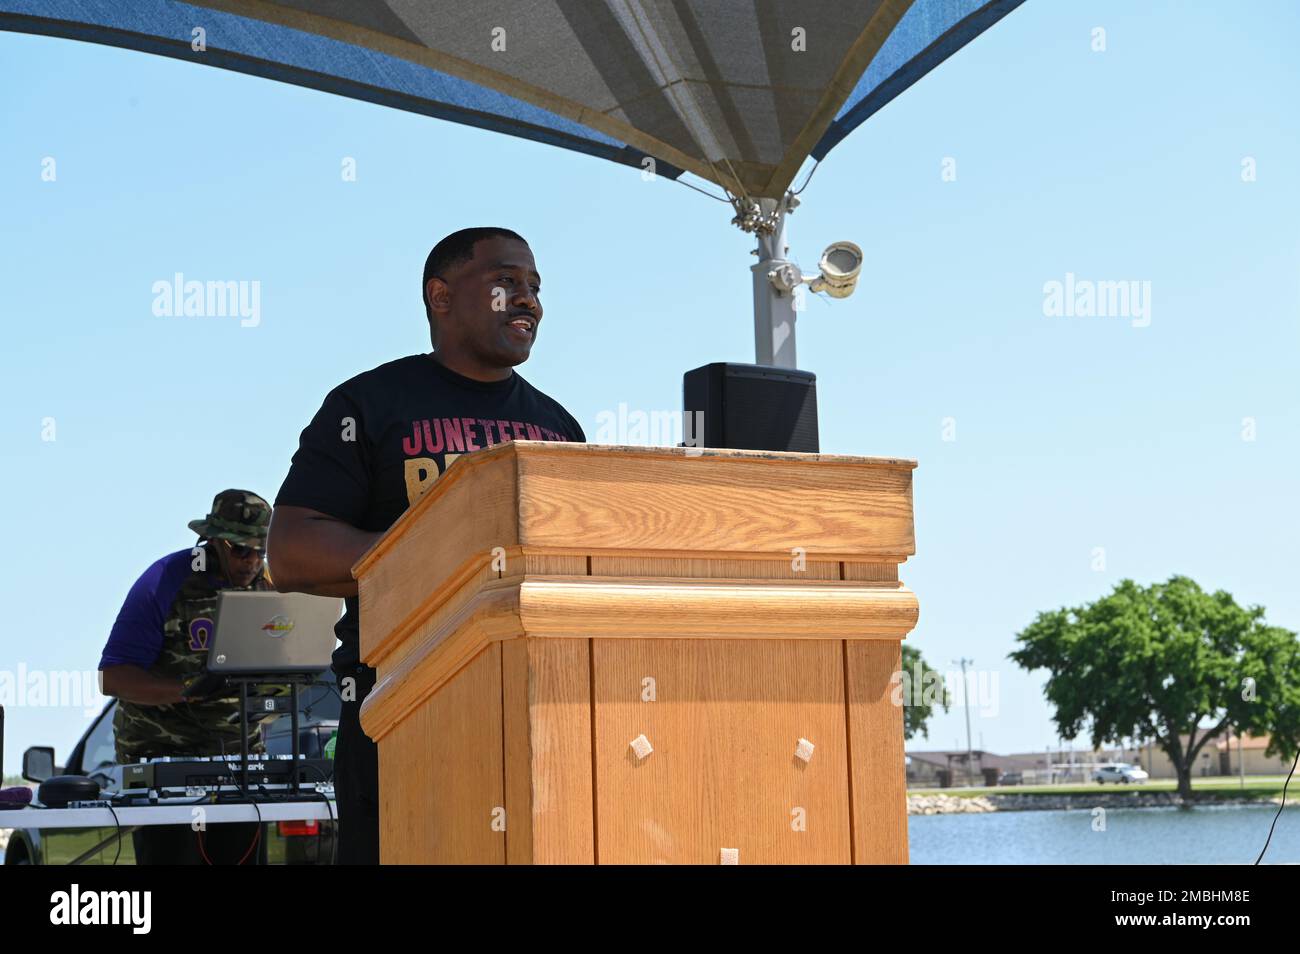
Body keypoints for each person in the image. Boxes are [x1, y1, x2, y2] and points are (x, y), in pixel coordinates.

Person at [269, 227, 585, 864]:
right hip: (398, 702)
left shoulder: (558, 427)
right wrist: (451, 554)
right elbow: (294, 551)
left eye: (535, 288)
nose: (528, 301)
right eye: (506, 282)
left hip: (535, 703)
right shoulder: (369, 404)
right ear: (441, 296)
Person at [99, 489, 276, 864]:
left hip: (240, 763)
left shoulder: (271, 585)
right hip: (164, 761)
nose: (251, 561)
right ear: (211, 541)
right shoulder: (165, 579)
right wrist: (186, 690)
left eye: (260, 551)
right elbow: (113, 677)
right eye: (240, 549)